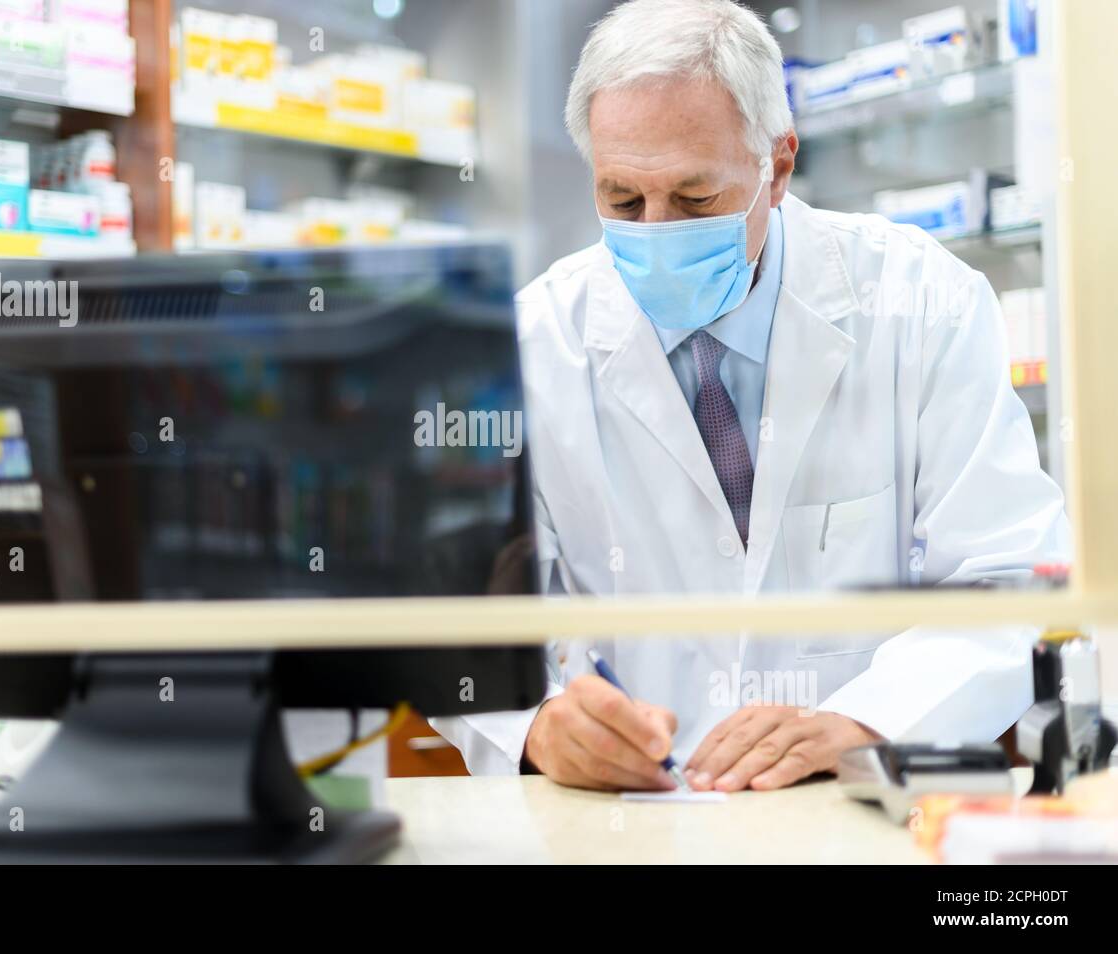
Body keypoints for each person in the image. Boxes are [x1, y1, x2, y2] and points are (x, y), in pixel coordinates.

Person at [432, 0, 1070, 793]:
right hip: (640, 819)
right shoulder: (532, 344)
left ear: (779, 164)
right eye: (623, 201)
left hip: (860, 803)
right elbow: (457, 611)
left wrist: (866, 723)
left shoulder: (919, 300)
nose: (656, 232)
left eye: (695, 200)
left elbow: (1007, 579)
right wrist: (535, 720)